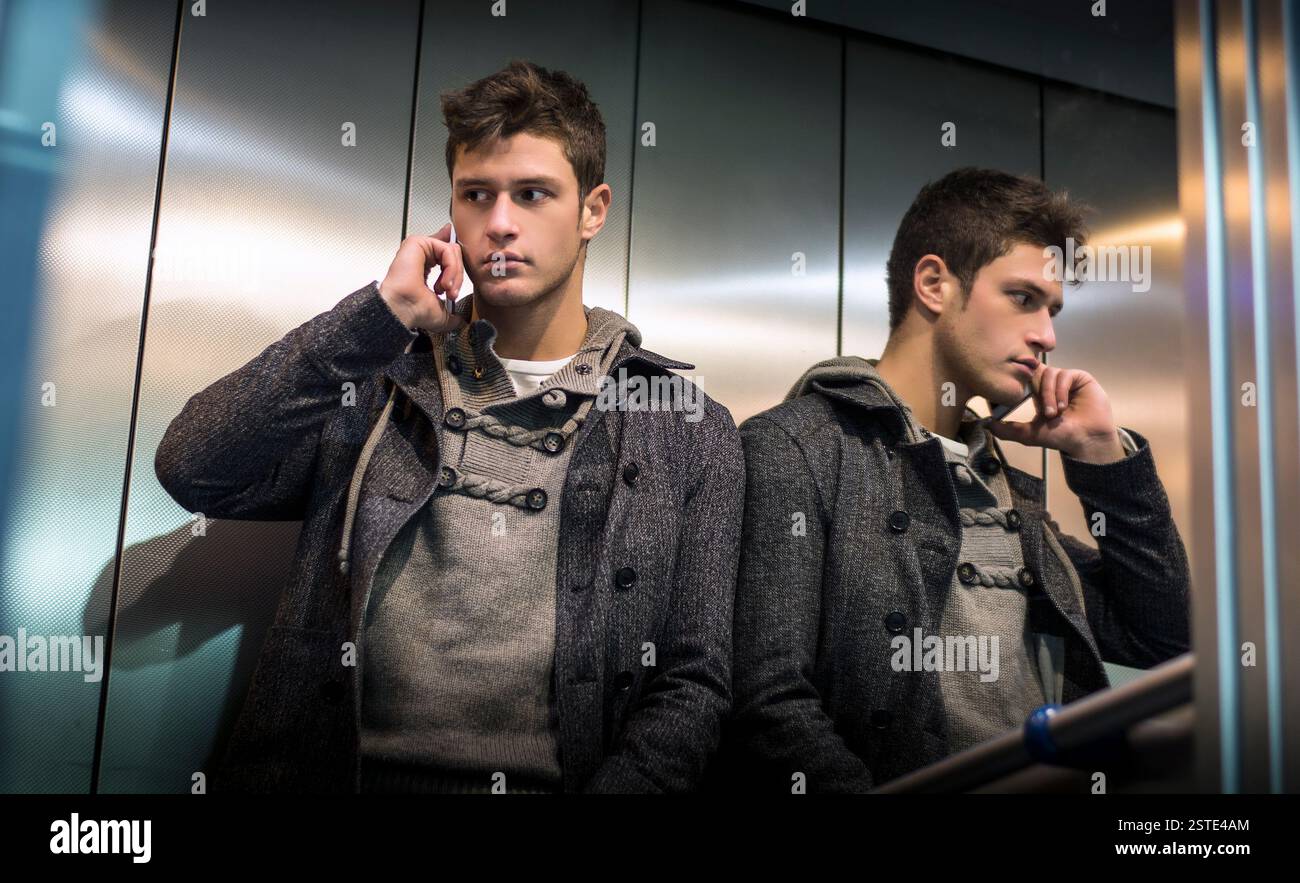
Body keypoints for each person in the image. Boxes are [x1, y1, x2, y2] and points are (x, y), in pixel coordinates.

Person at [155, 60, 743, 793]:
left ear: (593, 210)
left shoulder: (684, 427)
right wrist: (376, 319)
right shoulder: (377, 380)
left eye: (533, 194)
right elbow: (195, 467)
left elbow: (694, 681)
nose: (499, 223)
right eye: (476, 194)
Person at [725, 167, 1191, 792]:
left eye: (1052, 310)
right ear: (934, 284)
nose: (1047, 336)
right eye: (1023, 298)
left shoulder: (1003, 486)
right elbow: (769, 701)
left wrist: (1102, 456)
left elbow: (1163, 640)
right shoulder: (797, 447)